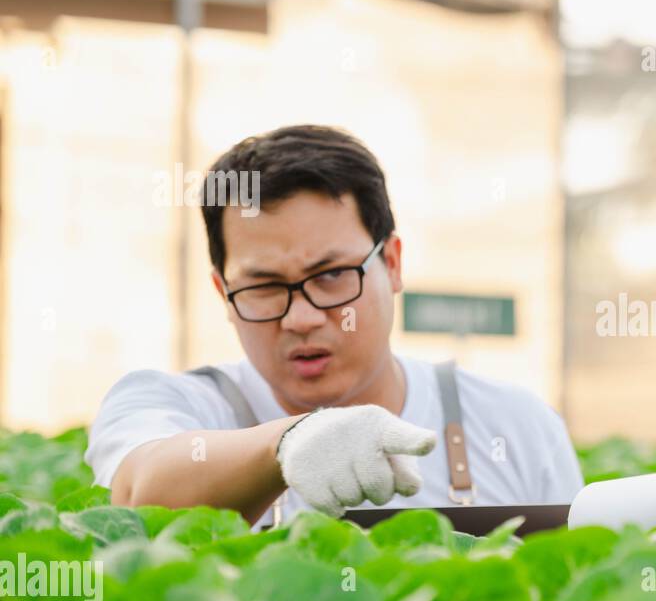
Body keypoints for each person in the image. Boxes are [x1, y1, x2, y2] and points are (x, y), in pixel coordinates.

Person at [87, 125, 584, 527]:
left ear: (392, 263)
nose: (300, 318)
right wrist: (287, 443)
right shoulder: (174, 404)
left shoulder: (516, 424)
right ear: (224, 294)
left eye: (330, 276)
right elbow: (139, 493)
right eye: (263, 286)